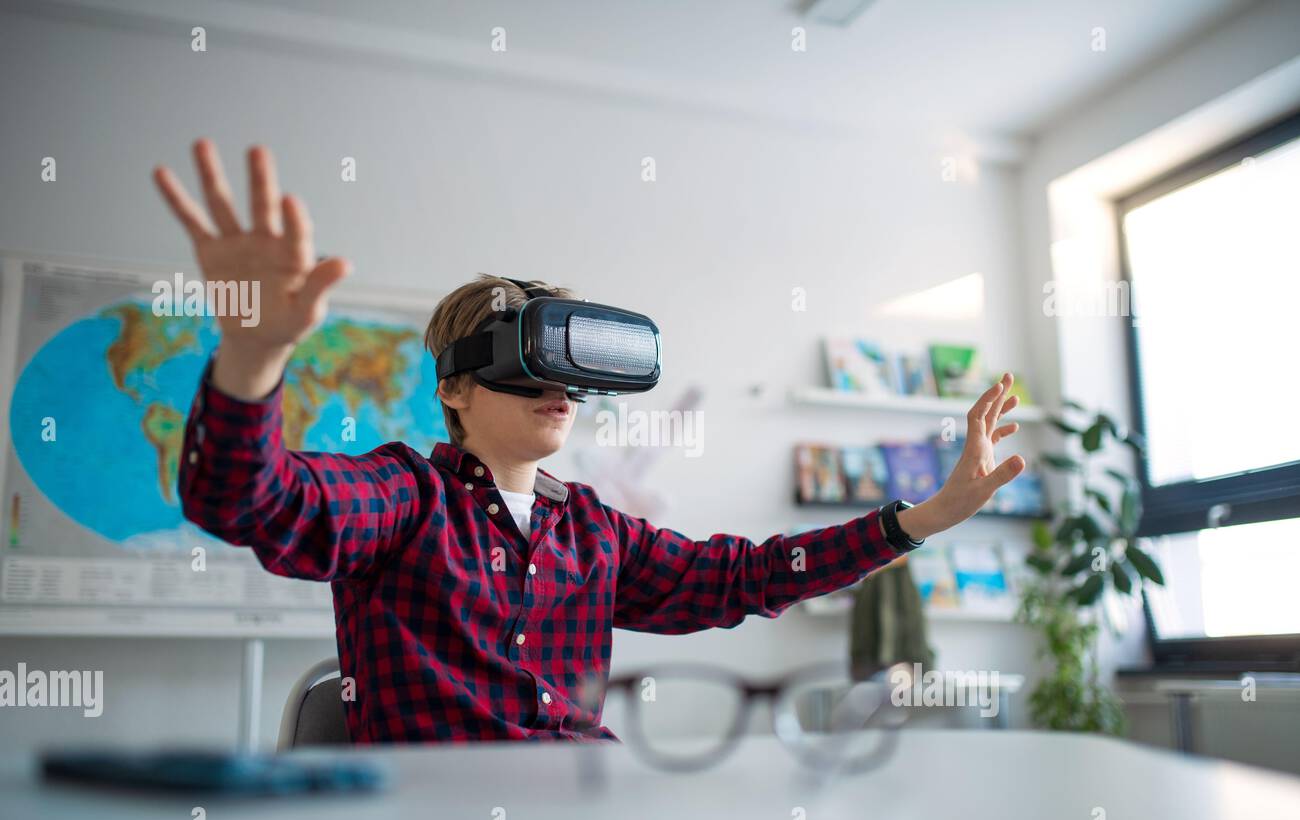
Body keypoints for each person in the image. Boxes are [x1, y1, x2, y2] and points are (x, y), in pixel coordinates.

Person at [153, 139, 1027, 744]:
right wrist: (254, 354)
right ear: (454, 387)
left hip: (591, 811)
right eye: (527, 367)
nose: (558, 394)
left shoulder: (594, 533)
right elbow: (250, 500)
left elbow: (749, 576)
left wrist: (923, 518)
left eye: (569, 375)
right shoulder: (403, 500)